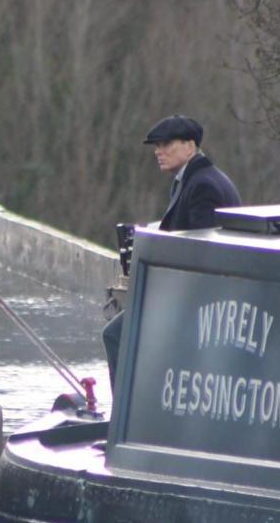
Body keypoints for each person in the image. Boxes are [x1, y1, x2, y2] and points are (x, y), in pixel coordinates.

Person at [101, 115, 241, 389]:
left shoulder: (202, 186)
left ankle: (125, 417)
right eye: (156, 146)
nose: (158, 152)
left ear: (189, 147)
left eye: (166, 144)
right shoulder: (196, 178)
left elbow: (204, 250)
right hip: (188, 295)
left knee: (116, 335)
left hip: (196, 300)